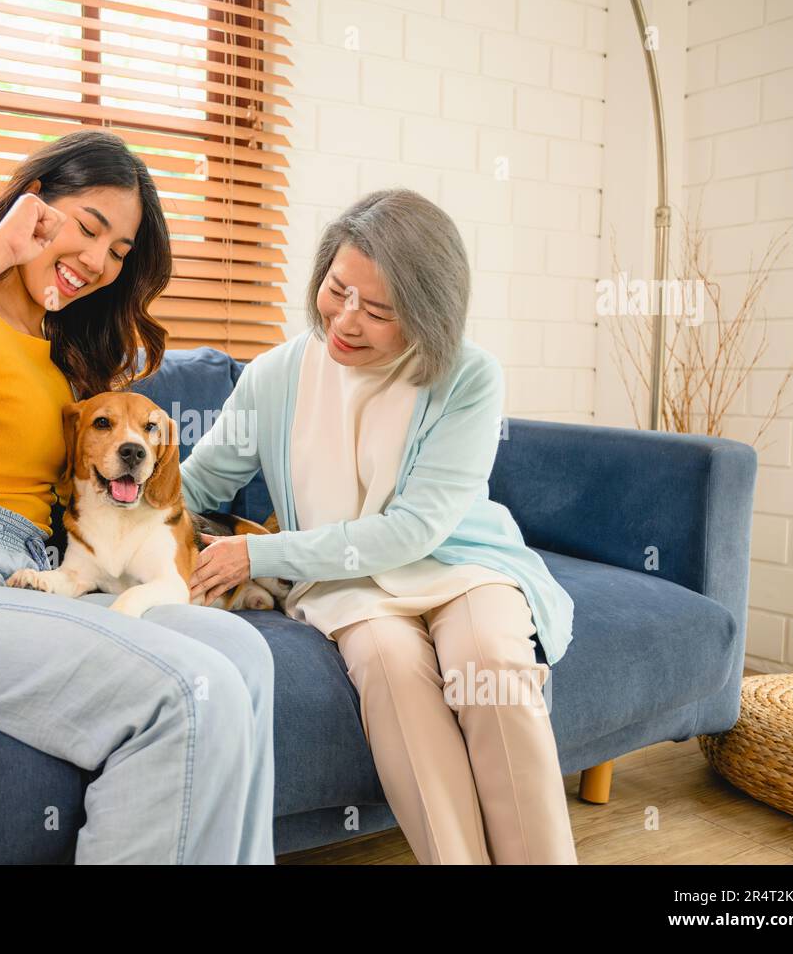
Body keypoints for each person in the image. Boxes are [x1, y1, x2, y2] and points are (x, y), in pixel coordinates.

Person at [0, 129, 275, 864]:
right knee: (188, 691)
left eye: (119, 252)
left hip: (29, 578)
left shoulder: (63, 355)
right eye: (89, 228)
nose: (98, 262)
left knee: (241, 655)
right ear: (33, 205)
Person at [182, 189, 578, 864]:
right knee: (391, 669)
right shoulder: (275, 377)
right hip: (344, 583)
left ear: (427, 316)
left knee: (491, 665)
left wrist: (259, 553)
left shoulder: (469, 376)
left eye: (381, 310)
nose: (346, 319)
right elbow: (197, 485)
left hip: (460, 563)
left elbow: (417, 528)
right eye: (338, 290)